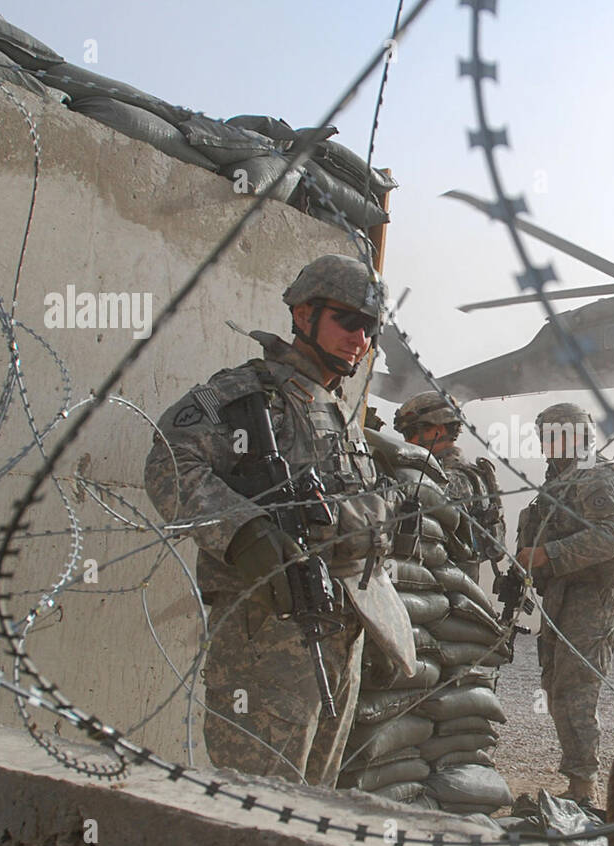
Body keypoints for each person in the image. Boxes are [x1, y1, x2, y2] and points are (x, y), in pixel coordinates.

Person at [143, 253, 415, 788]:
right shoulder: (243, 397)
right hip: (267, 638)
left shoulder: (336, 408)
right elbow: (168, 466)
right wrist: (246, 533)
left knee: (314, 803)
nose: (360, 339)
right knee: (258, 801)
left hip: (340, 627)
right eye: (348, 321)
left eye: (371, 328)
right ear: (303, 314)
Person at [517, 402, 614, 803]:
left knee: (577, 688)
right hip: (561, 596)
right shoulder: (559, 483)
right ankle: (577, 778)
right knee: (556, 686)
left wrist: (548, 554)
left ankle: (584, 787)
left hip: (592, 598)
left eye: (553, 436)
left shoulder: (598, 477)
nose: (546, 445)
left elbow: (610, 536)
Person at [393, 390, 507, 584]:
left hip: (443, 585)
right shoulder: (463, 472)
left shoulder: (453, 479)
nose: (408, 441)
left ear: (440, 430)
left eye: (414, 431)